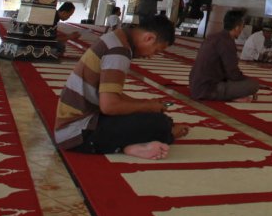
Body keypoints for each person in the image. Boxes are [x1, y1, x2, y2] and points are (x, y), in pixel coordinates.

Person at [54, 14, 189, 159]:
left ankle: (131, 144)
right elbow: (109, 106)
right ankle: (138, 143)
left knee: (155, 115)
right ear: (149, 38)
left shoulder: (117, 38)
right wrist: (147, 107)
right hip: (77, 134)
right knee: (160, 124)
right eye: (156, 51)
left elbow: (111, 95)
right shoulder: (119, 51)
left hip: (84, 120)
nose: (151, 56)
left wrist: (147, 104)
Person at [189, 10, 261, 101]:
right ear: (237, 27)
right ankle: (232, 96)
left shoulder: (212, 37)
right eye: (243, 26)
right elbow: (233, 73)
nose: (242, 29)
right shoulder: (227, 42)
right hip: (209, 89)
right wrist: (244, 80)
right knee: (253, 85)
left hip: (195, 85)